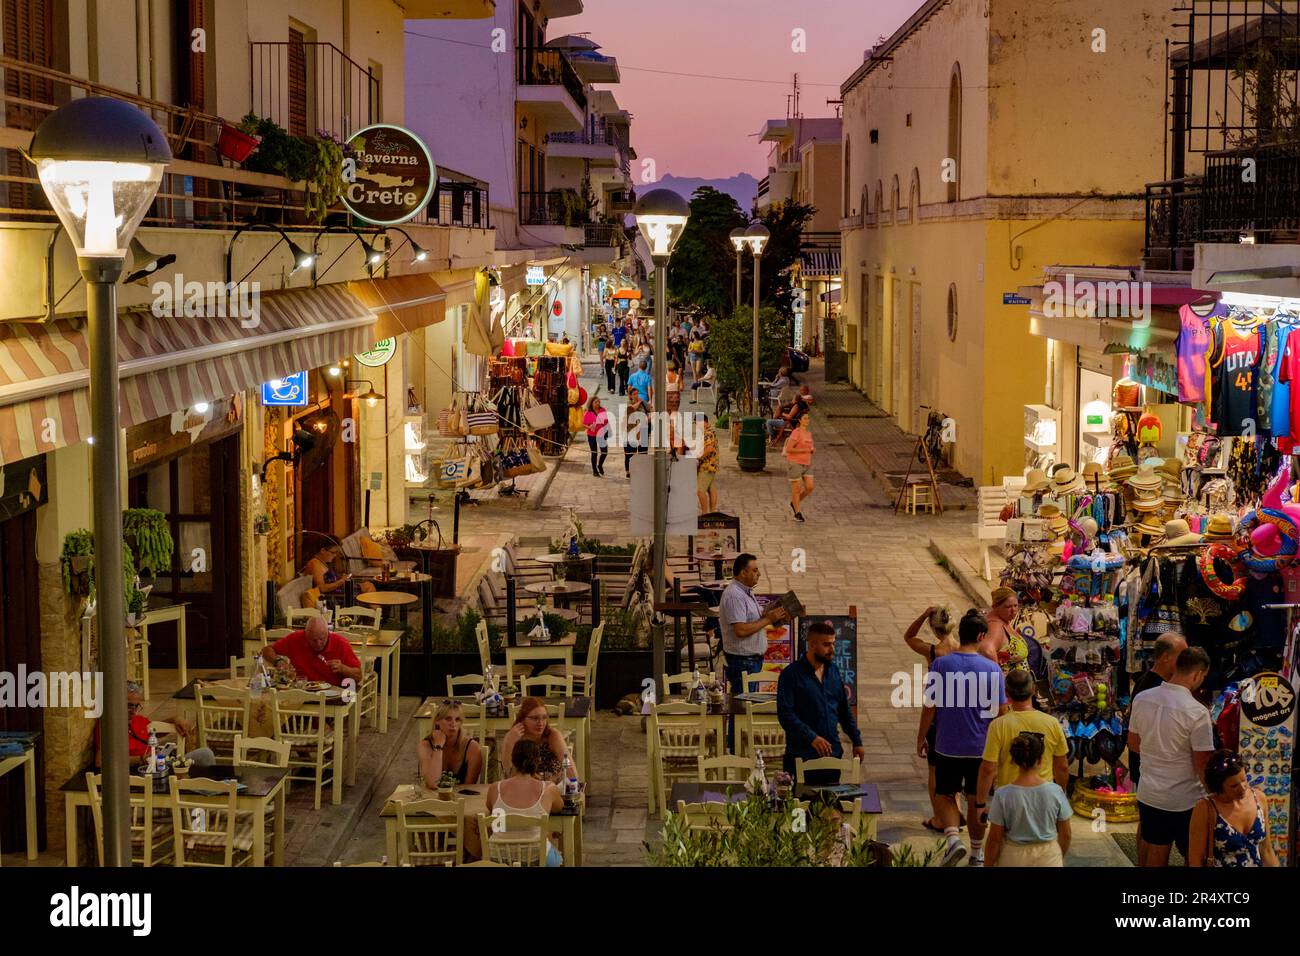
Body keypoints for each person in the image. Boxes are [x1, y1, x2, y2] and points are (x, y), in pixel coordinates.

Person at [916, 609, 1008, 866]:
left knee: (945, 795)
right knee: (976, 801)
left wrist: (921, 737)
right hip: (981, 748)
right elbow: (1001, 712)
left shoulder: (941, 664)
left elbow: (929, 706)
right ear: (980, 635)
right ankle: (976, 855)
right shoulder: (992, 669)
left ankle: (954, 840)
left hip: (947, 746)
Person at [1129, 645, 1215, 867]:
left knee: (1155, 849)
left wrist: (1157, 755)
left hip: (1149, 792)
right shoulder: (1197, 712)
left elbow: (1133, 743)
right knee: (1194, 855)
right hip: (1185, 799)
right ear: (1197, 674)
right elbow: (1202, 762)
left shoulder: (1142, 698)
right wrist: (1214, 797)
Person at [776, 620, 864, 784]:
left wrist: (856, 741)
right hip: (801, 755)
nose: (832, 650)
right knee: (799, 807)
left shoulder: (834, 671)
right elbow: (785, 715)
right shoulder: (791, 675)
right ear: (812, 644)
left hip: (832, 755)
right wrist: (812, 737)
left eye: (833, 644)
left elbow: (844, 711)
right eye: (826, 645)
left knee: (829, 808)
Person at [1128, 632, 1188, 865]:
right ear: (1164, 657)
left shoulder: (1153, 684)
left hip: (1148, 765)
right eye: (1181, 655)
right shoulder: (1149, 688)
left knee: (1149, 825)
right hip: (1148, 766)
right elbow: (1136, 738)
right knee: (1151, 829)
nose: (1185, 661)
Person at [976, 669, 1069, 816]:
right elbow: (1062, 767)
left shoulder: (999, 725)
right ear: (1033, 690)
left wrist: (980, 803)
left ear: (1006, 693)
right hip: (1044, 800)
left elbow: (988, 769)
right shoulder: (1052, 723)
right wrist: (1061, 795)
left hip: (1008, 800)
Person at [719, 554, 789, 749]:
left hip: (752, 659)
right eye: (755, 570)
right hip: (743, 661)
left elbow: (754, 617)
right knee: (742, 707)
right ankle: (735, 748)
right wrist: (768, 620)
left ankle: (741, 746)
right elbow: (740, 630)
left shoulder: (746, 592)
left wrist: (773, 613)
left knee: (746, 706)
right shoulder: (734, 595)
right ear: (742, 573)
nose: (759, 574)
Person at [902, 605, 959, 832]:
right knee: (955, 768)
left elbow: (909, 636)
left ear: (934, 629)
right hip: (961, 714)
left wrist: (924, 614)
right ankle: (955, 810)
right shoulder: (964, 650)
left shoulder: (934, 653)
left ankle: (939, 817)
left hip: (940, 717)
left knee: (935, 770)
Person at [984, 734, 1073, 867]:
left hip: (1013, 857)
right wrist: (1057, 856)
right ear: (1041, 760)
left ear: (1013, 760)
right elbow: (1066, 834)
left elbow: (995, 839)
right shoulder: (1056, 791)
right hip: (1048, 856)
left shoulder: (1002, 794)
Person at [1187, 749, 1279, 867]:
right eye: (1233, 786)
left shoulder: (1259, 799)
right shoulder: (1206, 808)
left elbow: (1266, 851)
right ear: (1219, 786)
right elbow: (1195, 860)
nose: (1242, 788)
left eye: (1244, 780)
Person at [96, 680, 215, 769]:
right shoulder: (108, 726)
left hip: (158, 764)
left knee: (205, 754)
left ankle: (211, 793)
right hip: (138, 771)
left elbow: (154, 731)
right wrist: (141, 759)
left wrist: (175, 719)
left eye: (136, 706)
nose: (133, 710)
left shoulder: (137, 720)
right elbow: (100, 762)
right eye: (129, 705)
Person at [486, 739, 566, 866]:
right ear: (538, 761)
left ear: (513, 761)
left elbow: (494, 815)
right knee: (555, 853)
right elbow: (559, 807)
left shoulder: (495, 788)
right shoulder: (548, 788)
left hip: (498, 857)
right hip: (535, 858)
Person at [261, 615, 362, 687]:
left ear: (328, 633)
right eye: (313, 640)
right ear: (306, 635)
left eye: (322, 639)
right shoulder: (296, 639)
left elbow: (359, 676)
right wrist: (278, 661)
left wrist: (343, 668)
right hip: (302, 691)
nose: (318, 644)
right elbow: (267, 650)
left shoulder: (341, 643)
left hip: (332, 693)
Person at [499, 697, 575, 784]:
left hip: (551, 788)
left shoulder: (552, 736)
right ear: (523, 719)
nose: (541, 723)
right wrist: (508, 743)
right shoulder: (515, 737)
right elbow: (507, 777)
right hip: (522, 790)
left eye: (544, 718)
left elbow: (572, 774)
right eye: (535, 718)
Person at [417, 700, 483, 787]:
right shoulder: (425, 746)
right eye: (448, 719)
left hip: (462, 798)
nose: (453, 724)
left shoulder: (472, 748)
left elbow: (469, 788)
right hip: (433, 798)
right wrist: (438, 746)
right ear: (437, 721)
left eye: (457, 719)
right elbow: (432, 783)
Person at [782, 415, 815, 522]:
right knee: (797, 489)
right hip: (795, 463)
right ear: (800, 420)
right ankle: (797, 512)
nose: (807, 420)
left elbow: (810, 447)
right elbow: (789, 449)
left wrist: (812, 449)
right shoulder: (796, 432)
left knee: (810, 487)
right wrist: (803, 450)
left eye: (808, 418)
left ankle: (794, 503)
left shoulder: (808, 434)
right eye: (805, 418)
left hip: (807, 463)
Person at [695, 413, 719, 514]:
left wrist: (698, 457)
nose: (697, 426)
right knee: (711, 489)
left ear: (704, 422)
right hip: (712, 465)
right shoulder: (711, 431)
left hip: (706, 466)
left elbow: (709, 449)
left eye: (698, 423)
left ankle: (705, 514)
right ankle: (712, 512)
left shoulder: (707, 434)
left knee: (700, 491)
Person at [623, 387, 649, 477]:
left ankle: (642, 470)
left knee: (643, 453)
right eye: (634, 394)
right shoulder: (629, 404)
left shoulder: (643, 403)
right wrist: (639, 402)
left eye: (637, 393)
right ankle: (628, 471)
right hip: (631, 431)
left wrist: (649, 417)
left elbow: (651, 409)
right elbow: (632, 409)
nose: (636, 395)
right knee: (630, 453)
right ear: (630, 396)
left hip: (643, 430)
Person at [583, 395, 609, 477]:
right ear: (591, 403)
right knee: (594, 453)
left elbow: (606, 422)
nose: (598, 403)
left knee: (604, 451)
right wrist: (589, 427)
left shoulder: (602, 410)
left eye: (599, 402)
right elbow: (584, 424)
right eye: (596, 402)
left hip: (601, 434)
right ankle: (594, 470)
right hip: (591, 435)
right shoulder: (588, 412)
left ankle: (600, 465)